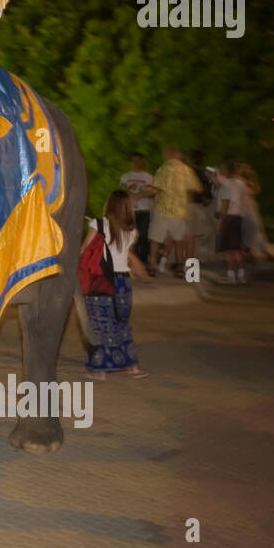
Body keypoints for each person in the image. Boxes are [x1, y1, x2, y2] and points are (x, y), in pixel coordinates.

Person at [83, 189, 153, 380]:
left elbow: (86, 251)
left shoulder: (97, 224)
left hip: (101, 279)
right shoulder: (132, 231)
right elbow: (127, 256)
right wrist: (142, 273)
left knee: (100, 325)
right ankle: (132, 367)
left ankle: (100, 369)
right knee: (122, 323)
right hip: (123, 281)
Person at [148, 146, 200, 276]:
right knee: (179, 241)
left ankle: (153, 265)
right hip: (180, 211)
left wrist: (142, 194)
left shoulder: (164, 168)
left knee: (156, 239)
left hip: (162, 210)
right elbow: (196, 187)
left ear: (168, 155)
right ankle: (180, 268)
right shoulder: (186, 170)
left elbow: (156, 189)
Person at [216, 159, 250, 284]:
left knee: (229, 250)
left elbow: (225, 204)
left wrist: (220, 221)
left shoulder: (226, 184)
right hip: (238, 217)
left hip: (228, 218)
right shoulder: (241, 184)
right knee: (236, 248)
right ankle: (241, 275)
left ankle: (231, 276)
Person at [120, 151, 155, 268]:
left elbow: (152, 193)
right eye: (133, 160)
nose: (135, 163)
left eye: (138, 160)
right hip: (130, 210)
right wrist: (129, 189)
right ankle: (129, 262)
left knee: (144, 236)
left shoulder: (148, 177)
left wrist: (141, 194)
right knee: (130, 235)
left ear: (142, 161)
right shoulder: (126, 176)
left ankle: (143, 261)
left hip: (144, 210)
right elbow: (121, 192)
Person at [237, 162, 272, 263]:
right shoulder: (239, 181)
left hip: (252, 207)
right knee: (248, 230)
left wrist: (254, 177)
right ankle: (249, 253)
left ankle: (256, 252)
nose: (248, 171)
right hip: (244, 208)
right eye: (245, 169)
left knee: (256, 230)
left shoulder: (248, 181)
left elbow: (256, 190)